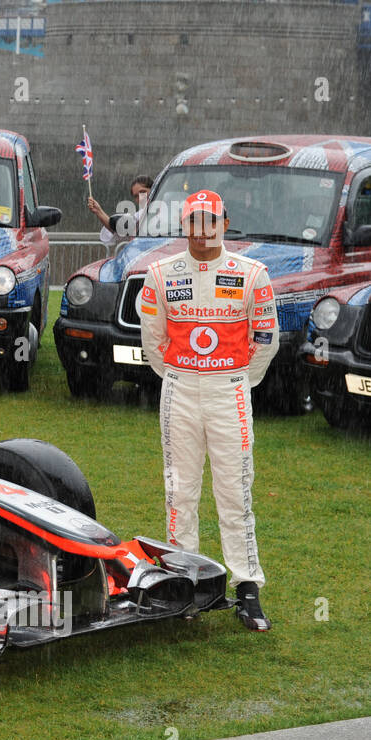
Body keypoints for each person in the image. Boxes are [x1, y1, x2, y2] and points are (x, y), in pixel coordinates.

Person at [138, 189, 278, 631]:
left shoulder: (253, 274)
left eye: (210, 221)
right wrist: (184, 374)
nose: (202, 231)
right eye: (194, 222)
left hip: (229, 392)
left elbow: (266, 340)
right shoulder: (160, 274)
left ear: (225, 221)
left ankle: (247, 589)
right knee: (180, 491)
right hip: (179, 389)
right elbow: (153, 339)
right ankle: (185, 586)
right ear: (185, 225)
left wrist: (235, 379)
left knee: (235, 492)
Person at [88, 175, 153, 249]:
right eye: (136, 196)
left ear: (153, 189)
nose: (140, 198)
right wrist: (98, 211)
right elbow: (119, 230)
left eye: (143, 192)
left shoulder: (166, 208)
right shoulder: (139, 215)